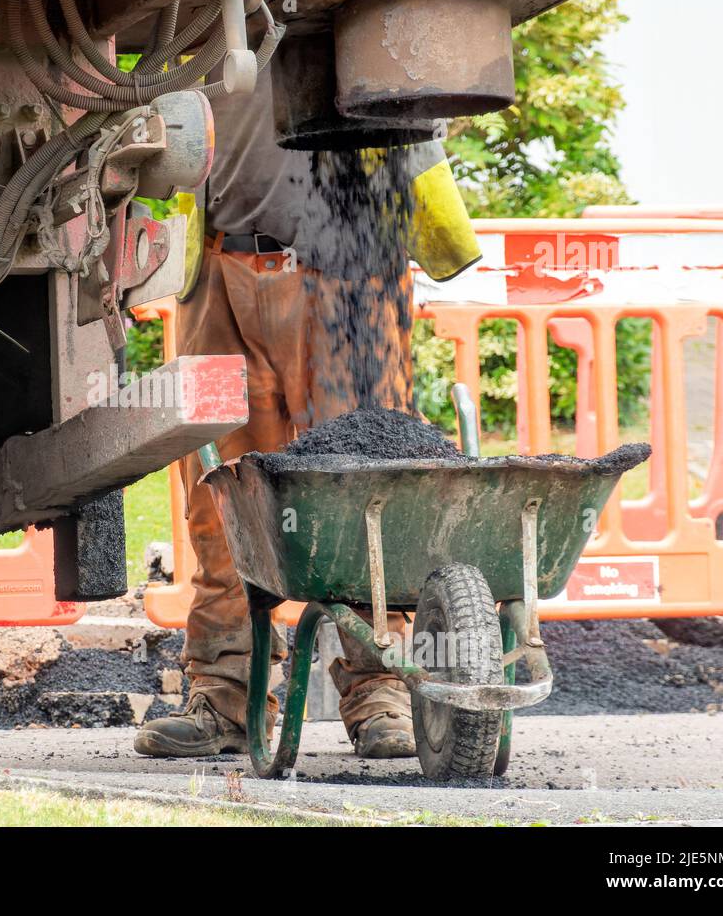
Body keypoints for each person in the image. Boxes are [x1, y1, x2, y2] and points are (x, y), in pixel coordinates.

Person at [133, 69, 479, 759]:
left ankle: (379, 691)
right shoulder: (207, 8)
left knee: (365, 489)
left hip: (351, 269)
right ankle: (227, 697)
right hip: (221, 268)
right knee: (221, 496)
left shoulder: (349, 14)